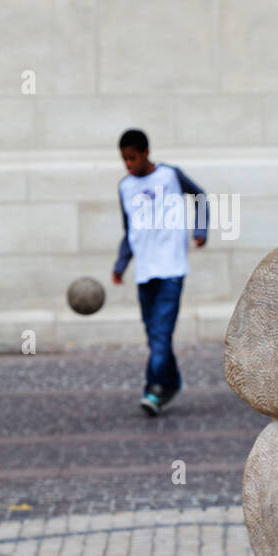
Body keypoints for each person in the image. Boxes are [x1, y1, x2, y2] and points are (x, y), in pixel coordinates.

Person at [111, 129, 207, 416]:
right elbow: (129, 231)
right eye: (124, 159)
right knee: (154, 334)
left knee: (161, 334)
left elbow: (200, 196)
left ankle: (153, 389)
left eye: (132, 157)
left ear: (146, 153)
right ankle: (172, 381)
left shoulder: (170, 175)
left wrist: (200, 231)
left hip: (172, 268)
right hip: (145, 271)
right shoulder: (125, 187)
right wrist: (120, 264)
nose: (128, 164)